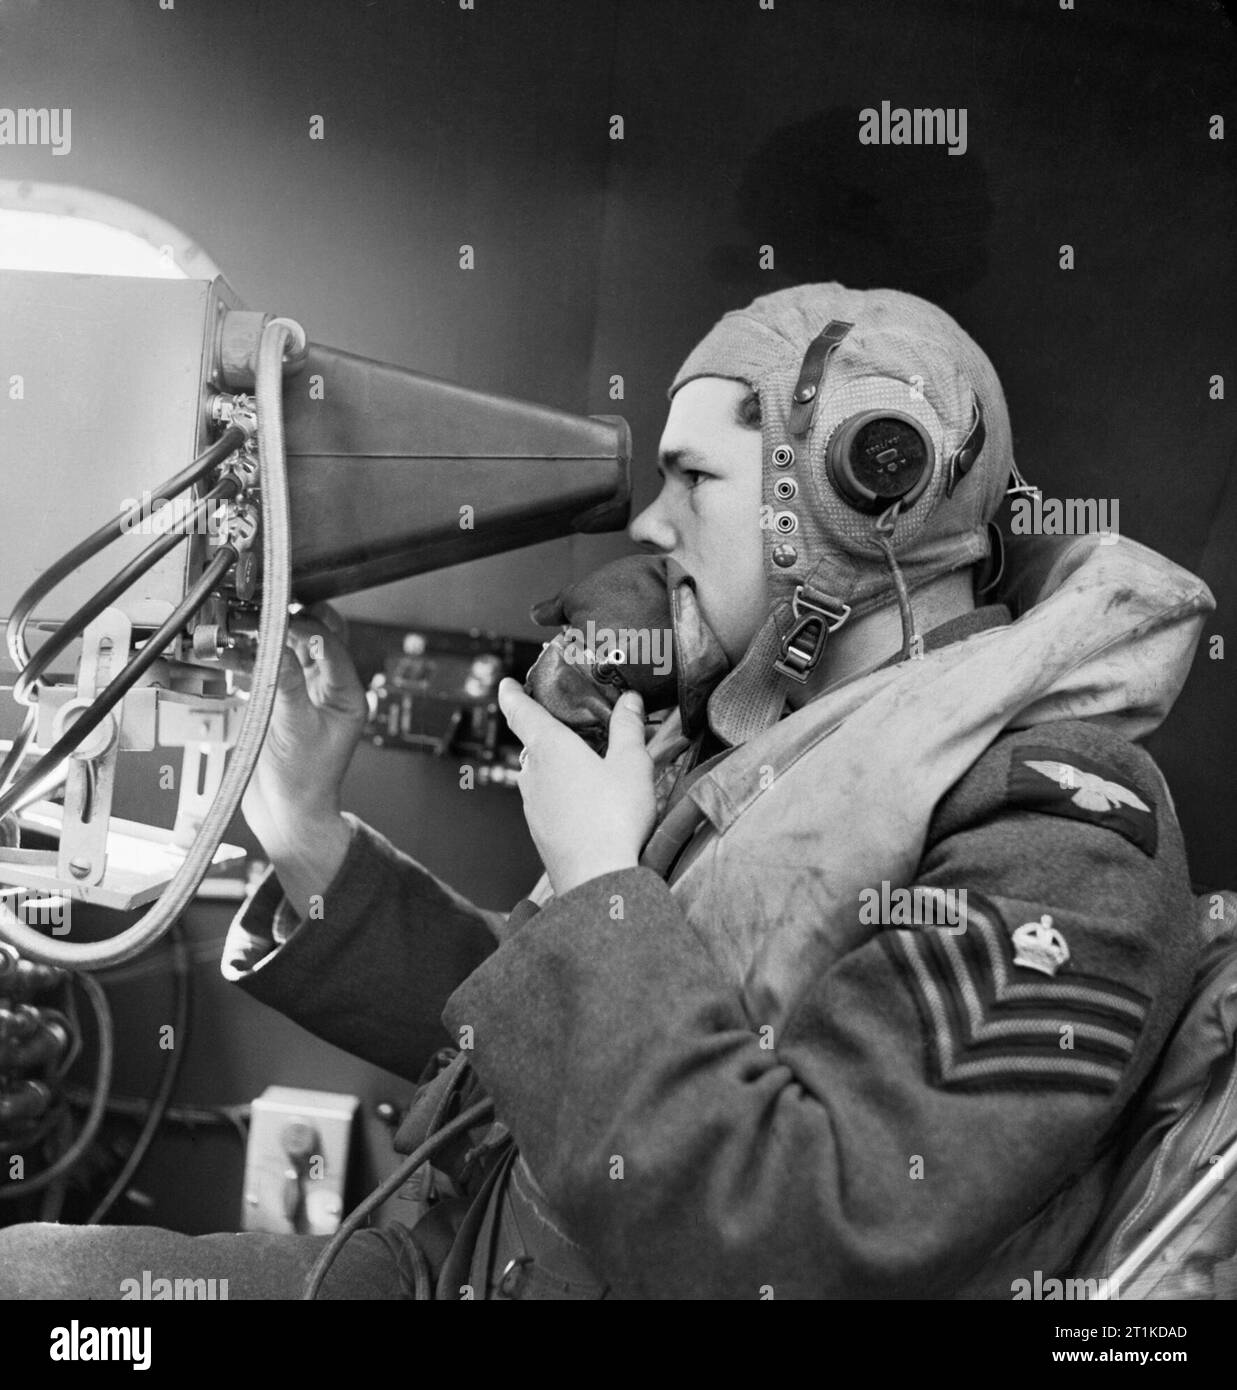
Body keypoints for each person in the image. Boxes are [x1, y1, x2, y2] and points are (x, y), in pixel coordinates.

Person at [0, 283, 1215, 1299]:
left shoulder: (1059, 824)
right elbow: (532, 1046)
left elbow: (796, 1230)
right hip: (455, 1256)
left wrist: (603, 888)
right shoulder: (778, 740)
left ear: (860, 489)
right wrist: (309, 836)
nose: (649, 520)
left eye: (696, 479)